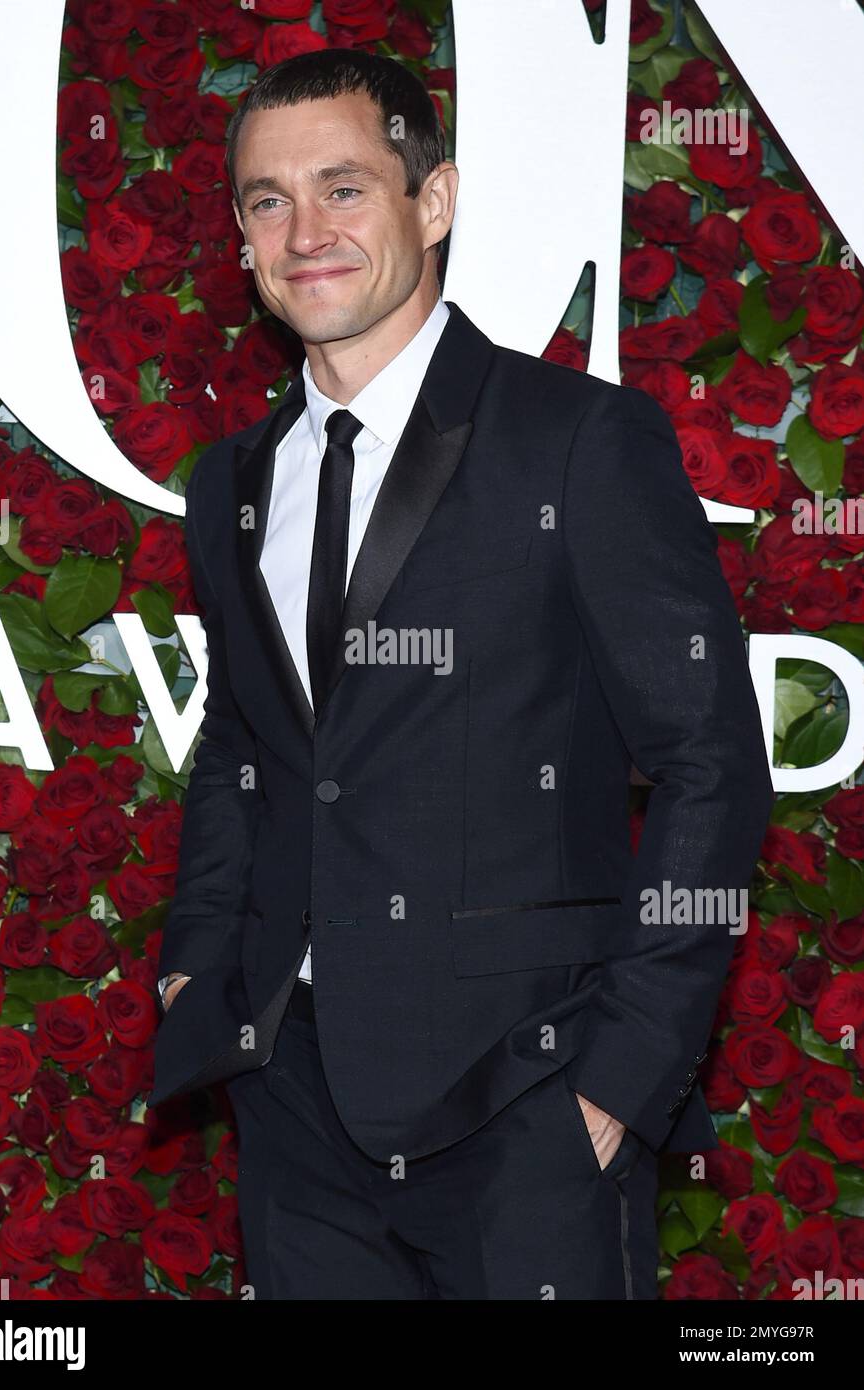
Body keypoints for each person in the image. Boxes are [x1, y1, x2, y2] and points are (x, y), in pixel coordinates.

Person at [148, 47, 774, 1300]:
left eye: (345, 188)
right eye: (268, 200)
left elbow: (714, 761)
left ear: (432, 203)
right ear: (242, 238)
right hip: (296, 1100)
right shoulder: (233, 479)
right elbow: (245, 745)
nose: (305, 231)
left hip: (527, 1101)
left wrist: (618, 1081)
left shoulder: (578, 441)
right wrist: (196, 964)